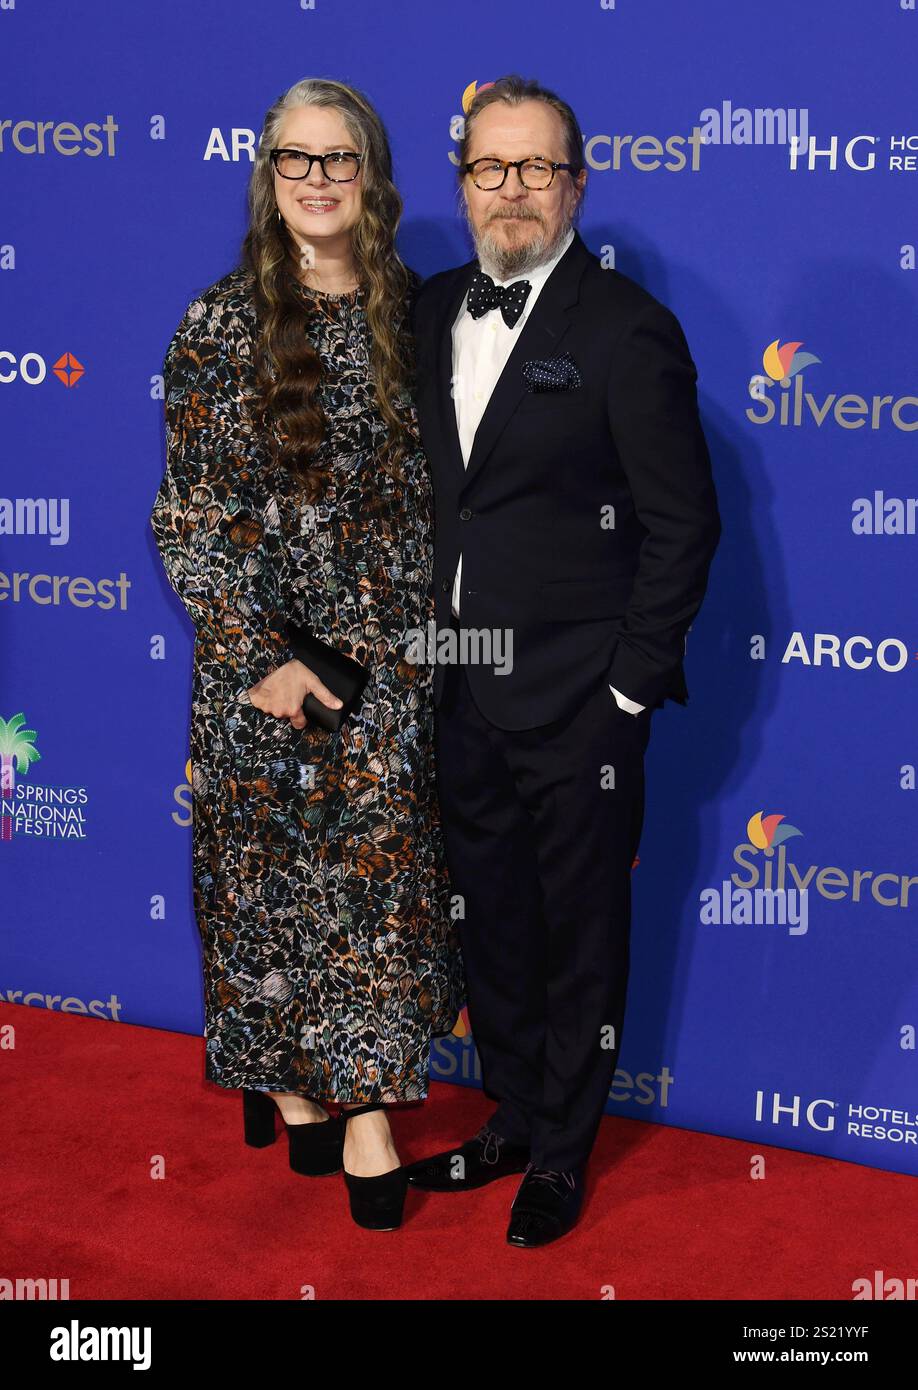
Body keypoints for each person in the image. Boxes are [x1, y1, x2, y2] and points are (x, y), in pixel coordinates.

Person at [406, 75, 721, 1247]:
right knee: (493, 923)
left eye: (537, 167)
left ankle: (563, 1157)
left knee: (581, 929)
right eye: (491, 167)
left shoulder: (630, 331)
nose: (513, 189)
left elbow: (684, 524)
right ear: (464, 182)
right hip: (460, 679)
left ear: (578, 182)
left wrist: (628, 687)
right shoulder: (433, 305)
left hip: (584, 700)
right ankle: (514, 1116)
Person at [149, 77, 463, 1232]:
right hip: (265, 664)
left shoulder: (418, 316)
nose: (318, 178)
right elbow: (190, 514)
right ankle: (288, 1086)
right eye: (296, 158)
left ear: (373, 176)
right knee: (266, 893)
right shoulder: (220, 322)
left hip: (387, 659)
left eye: (340, 158)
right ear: (267, 175)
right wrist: (257, 656)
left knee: (376, 897)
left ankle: (371, 1108)